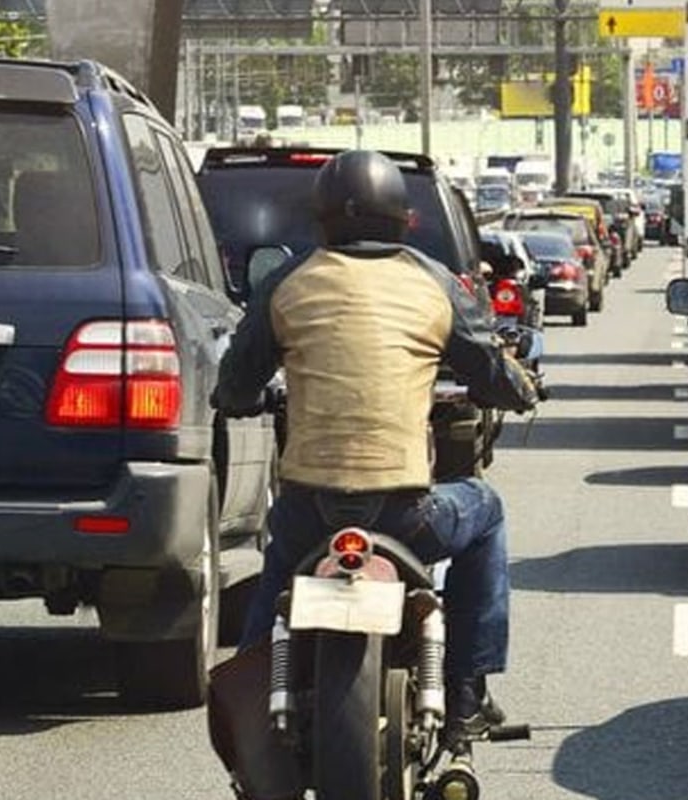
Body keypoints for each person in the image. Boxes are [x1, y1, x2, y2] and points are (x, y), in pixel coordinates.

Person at [212, 150, 539, 739]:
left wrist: (239, 400)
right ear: (402, 218)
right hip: (407, 513)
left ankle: (254, 687)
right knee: (485, 513)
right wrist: (522, 388)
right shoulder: (433, 283)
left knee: (274, 578)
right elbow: (490, 371)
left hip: (308, 513)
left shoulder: (287, 283)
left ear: (321, 219)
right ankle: (466, 691)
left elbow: (235, 384)